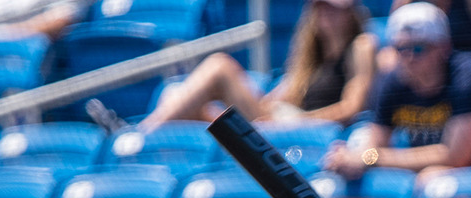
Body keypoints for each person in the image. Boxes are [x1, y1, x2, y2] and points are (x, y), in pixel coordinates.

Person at [323, 2, 471, 179]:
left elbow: (455, 157)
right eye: (400, 49)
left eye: (419, 48)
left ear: (443, 47)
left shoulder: (470, 77)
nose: (409, 57)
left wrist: (369, 158)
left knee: (435, 176)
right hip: (433, 179)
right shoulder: (391, 81)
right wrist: (354, 159)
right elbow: (375, 144)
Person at [133, 0, 377, 131]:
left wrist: (303, 123)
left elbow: (352, 107)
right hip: (284, 118)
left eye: (334, 9)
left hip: (303, 126)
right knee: (179, 97)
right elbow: (281, 97)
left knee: (220, 67)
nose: (327, 15)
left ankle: (139, 136)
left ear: (350, 12)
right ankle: (135, 143)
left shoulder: (360, 46)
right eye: (321, 8)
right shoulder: (310, 56)